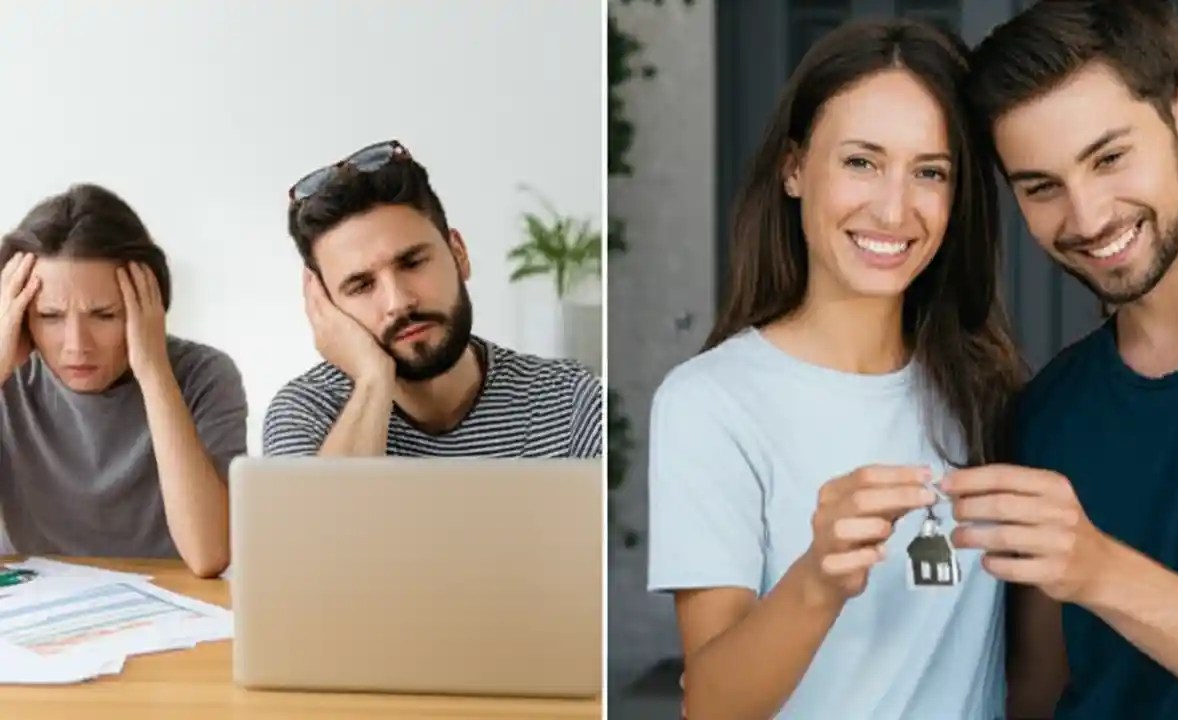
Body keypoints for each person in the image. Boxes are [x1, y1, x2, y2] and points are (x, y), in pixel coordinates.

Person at [645, 19, 1025, 719]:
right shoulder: (710, 404)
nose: (893, 207)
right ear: (794, 168)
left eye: (930, 172)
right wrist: (818, 578)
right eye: (861, 161)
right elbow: (713, 704)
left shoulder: (991, 390)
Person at [954, 1, 1178, 718]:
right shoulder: (1050, 410)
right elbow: (1034, 693)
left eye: (1109, 158)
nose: (1088, 216)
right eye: (1041, 187)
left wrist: (1101, 571)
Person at [262, 140, 602, 458]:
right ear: (325, 304)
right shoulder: (304, 414)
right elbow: (324, 524)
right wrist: (373, 380)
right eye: (362, 286)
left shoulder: (572, 402)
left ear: (459, 254)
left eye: (412, 263)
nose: (398, 302)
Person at [0, 184, 247, 578]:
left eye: (105, 315)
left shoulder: (205, 375)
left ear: (149, 306)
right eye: (50, 317)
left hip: (172, 610)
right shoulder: (9, 379)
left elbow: (209, 553)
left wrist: (153, 371)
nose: (77, 346)